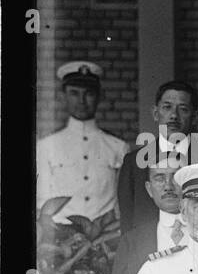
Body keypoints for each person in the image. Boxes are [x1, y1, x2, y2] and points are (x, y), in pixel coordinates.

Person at [36, 61, 130, 226]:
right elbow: (41, 200)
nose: (81, 101)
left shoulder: (118, 147)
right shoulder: (46, 146)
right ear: (63, 96)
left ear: (99, 96)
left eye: (89, 94)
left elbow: (122, 200)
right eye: (74, 93)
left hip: (105, 237)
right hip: (61, 238)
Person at [118, 81, 198, 233]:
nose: (173, 116)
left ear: (195, 116)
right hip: (147, 251)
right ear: (156, 113)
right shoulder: (134, 162)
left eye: (183, 109)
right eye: (167, 107)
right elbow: (127, 221)